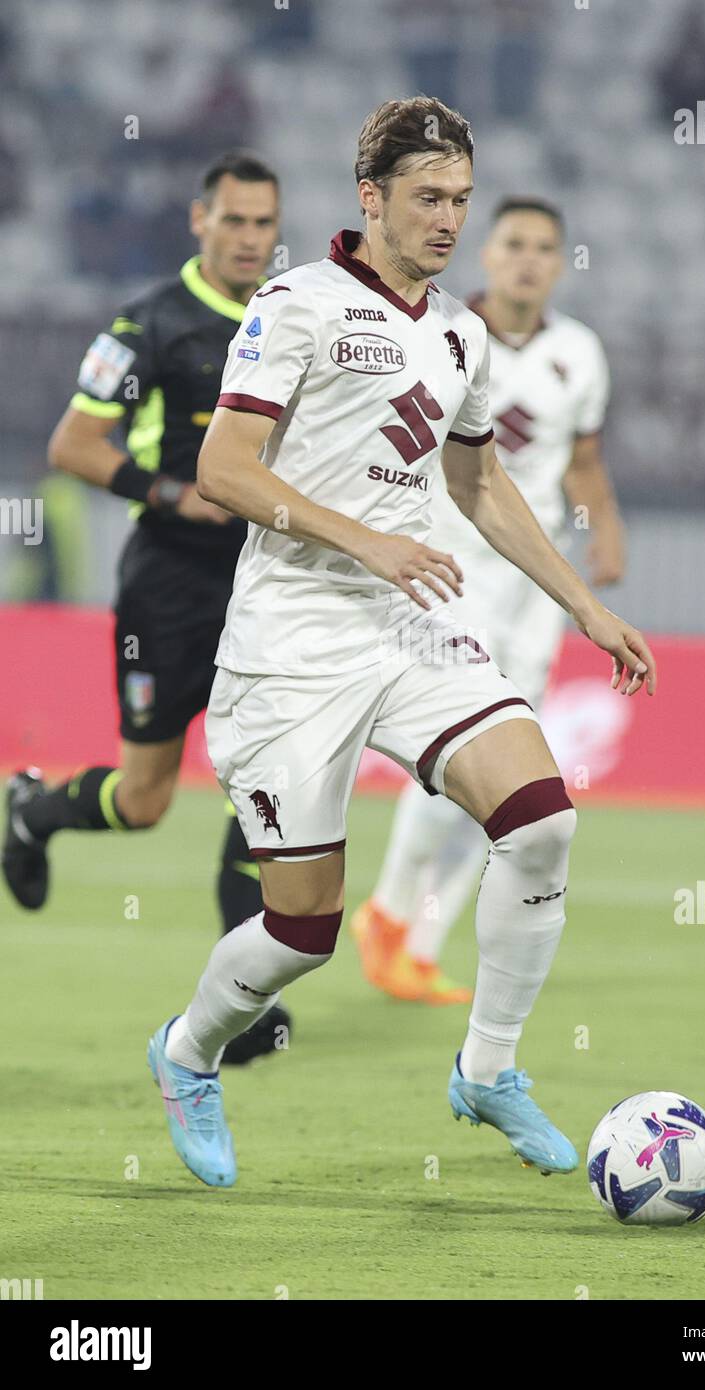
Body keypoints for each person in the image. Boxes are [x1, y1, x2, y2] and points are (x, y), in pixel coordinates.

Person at [146, 97, 655, 1189]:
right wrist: (363, 538)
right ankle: (187, 1052)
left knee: (540, 821)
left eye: (462, 200)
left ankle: (487, 1068)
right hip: (294, 643)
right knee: (301, 932)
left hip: (415, 627)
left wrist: (581, 604)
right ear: (369, 196)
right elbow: (223, 471)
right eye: (427, 197)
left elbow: (476, 480)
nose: (448, 219)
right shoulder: (297, 305)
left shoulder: (461, 332)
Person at [2, 151, 291, 1065]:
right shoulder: (149, 327)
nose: (250, 239)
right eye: (234, 221)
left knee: (270, 783)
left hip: (265, 583)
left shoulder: (296, 319)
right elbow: (73, 445)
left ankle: (238, 1007)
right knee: (145, 798)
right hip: (168, 584)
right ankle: (35, 811)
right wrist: (172, 494)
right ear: (199, 222)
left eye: (263, 223)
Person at [351, 196, 624, 1004]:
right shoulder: (439, 334)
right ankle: (389, 917)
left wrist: (603, 526)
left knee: (517, 765)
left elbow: (584, 458)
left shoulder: (580, 351)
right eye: (514, 243)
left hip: (533, 582)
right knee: (456, 747)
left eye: (545, 246)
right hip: (449, 569)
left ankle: (419, 943)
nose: (529, 259)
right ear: (487, 253)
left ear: (558, 260)